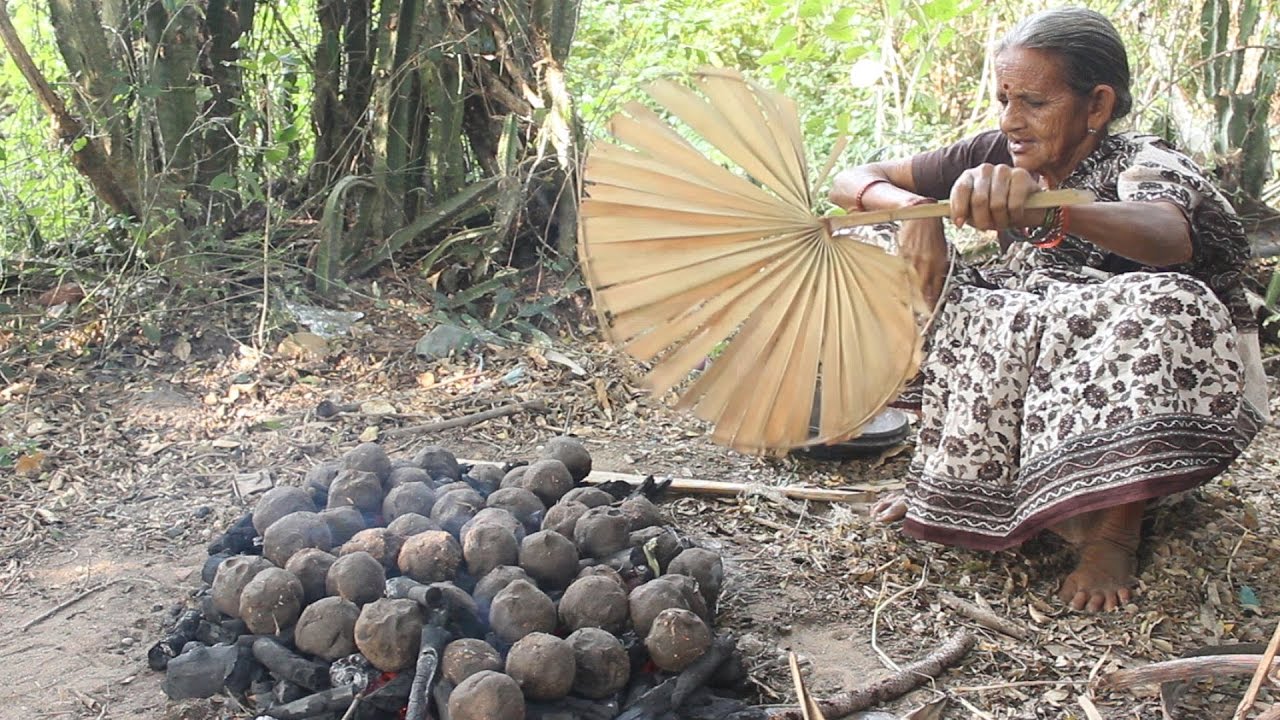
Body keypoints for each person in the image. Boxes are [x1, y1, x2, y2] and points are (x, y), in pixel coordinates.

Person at [828, 6, 1270, 612]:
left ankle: (1115, 530)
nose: (1011, 119)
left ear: (1097, 106)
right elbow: (853, 179)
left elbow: (1168, 236)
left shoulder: (1145, 163)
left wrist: (1052, 210)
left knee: (1168, 303)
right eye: (1004, 98)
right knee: (867, 244)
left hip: (1148, 378)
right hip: (1039, 343)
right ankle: (960, 471)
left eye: (1034, 102)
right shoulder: (998, 151)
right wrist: (910, 212)